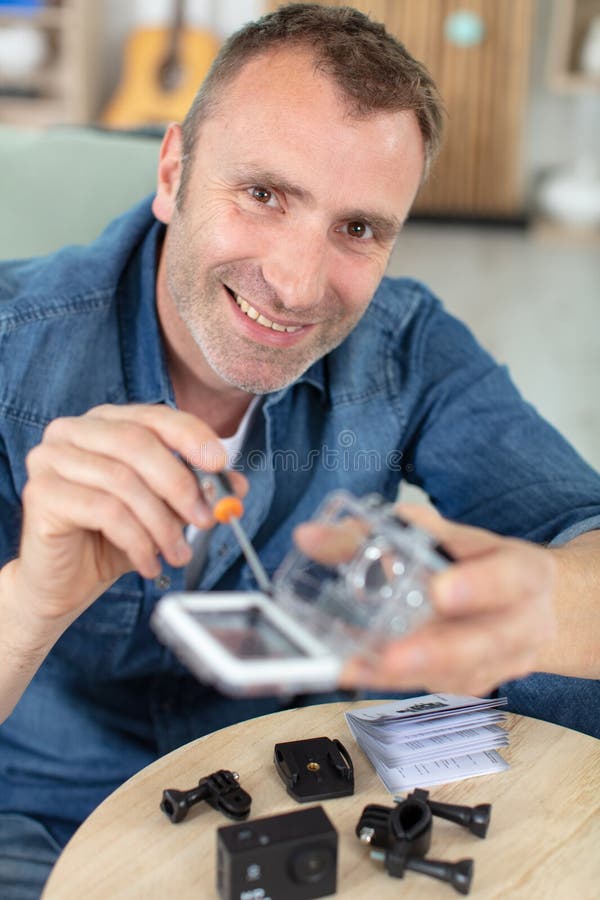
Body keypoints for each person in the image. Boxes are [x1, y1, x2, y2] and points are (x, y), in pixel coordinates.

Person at [1, 4, 599, 897]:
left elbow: (579, 529)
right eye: (264, 194)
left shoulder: (406, 347)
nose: (295, 285)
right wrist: (30, 602)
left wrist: (543, 606)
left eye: (358, 229)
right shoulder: (15, 346)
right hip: (45, 822)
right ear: (173, 172)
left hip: (303, 796)